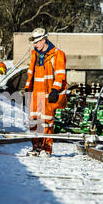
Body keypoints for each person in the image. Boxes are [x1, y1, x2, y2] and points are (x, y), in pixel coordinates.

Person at [24, 28, 67, 156]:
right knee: (33, 121)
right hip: (36, 93)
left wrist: (55, 90)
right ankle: (36, 147)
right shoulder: (35, 54)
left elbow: (60, 75)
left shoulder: (57, 54)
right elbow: (31, 72)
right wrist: (28, 87)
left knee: (47, 122)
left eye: (37, 42)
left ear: (43, 40)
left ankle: (46, 149)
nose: (35, 45)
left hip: (48, 94)